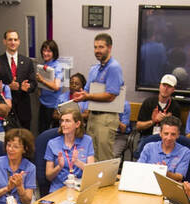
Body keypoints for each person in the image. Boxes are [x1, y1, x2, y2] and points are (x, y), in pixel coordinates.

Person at [76, 33, 125, 162]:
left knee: (104, 157)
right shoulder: (94, 69)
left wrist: (88, 96)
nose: (97, 51)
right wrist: (81, 95)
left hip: (106, 117)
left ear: (109, 48)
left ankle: (106, 182)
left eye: (101, 47)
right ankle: (94, 182)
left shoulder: (114, 67)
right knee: (91, 155)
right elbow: (86, 90)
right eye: (95, 47)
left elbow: (110, 95)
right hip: (93, 116)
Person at [44, 109, 95, 193]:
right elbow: (48, 176)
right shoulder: (52, 143)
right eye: (62, 121)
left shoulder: (87, 140)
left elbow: (92, 172)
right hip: (58, 190)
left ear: (77, 124)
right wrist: (59, 167)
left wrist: (78, 162)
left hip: (80, 189)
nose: (63, 124)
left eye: (67, 121)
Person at [0, 30, 35, 130]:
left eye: (15, 39)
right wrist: (8, 87)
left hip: (24, 108)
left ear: (19, 41)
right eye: (10, 40)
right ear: (5, 41)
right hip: (5, 108)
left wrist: (28, 87)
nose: (13, 42)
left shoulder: (27, 61)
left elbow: (34, 83)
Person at [137, 117, 190, 182]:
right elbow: (138, 168)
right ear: (160, 133)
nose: (169, 138)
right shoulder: (149, 147)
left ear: (178, 135)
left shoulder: (185, 151)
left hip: (170, 186)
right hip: (147, 182)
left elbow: (179, 177)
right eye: (166, 133)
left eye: (173, 134)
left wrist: (164, 172)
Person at [34, 39, 68, 135]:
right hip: (43, 103)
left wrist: (42, 80)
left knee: (52, 134)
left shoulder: (58, 66)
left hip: (53, 106)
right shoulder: (44, 65)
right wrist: (39, 88)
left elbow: (56, 86)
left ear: (54, 52)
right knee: (41, 132)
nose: (45, 53)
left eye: (49, 51)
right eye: (44, 50)